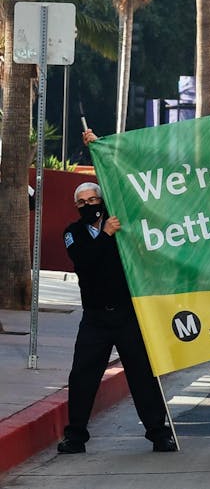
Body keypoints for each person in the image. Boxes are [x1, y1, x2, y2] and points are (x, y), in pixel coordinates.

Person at [56, 128, 176, 454]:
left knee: (141, 376)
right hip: (95, 318)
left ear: (102, 199)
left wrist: (97, 149)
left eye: (93, 199)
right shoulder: (74, 233)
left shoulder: (119, 219)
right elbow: (85, 261)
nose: (88, 205)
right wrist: (105, 235)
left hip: (126, 314)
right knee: (83, 377)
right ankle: (75, 436)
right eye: (81, 202)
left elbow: (120, 178)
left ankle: (159, 432)